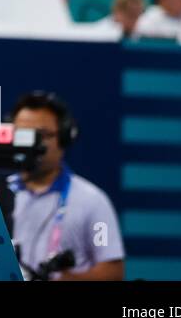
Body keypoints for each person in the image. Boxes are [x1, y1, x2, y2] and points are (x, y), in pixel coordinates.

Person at [8, 92, 125, 280]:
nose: (29, 143)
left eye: (41, 135)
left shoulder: (92, 201)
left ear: (64, 138)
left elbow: (112, 271)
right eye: (22, 134)